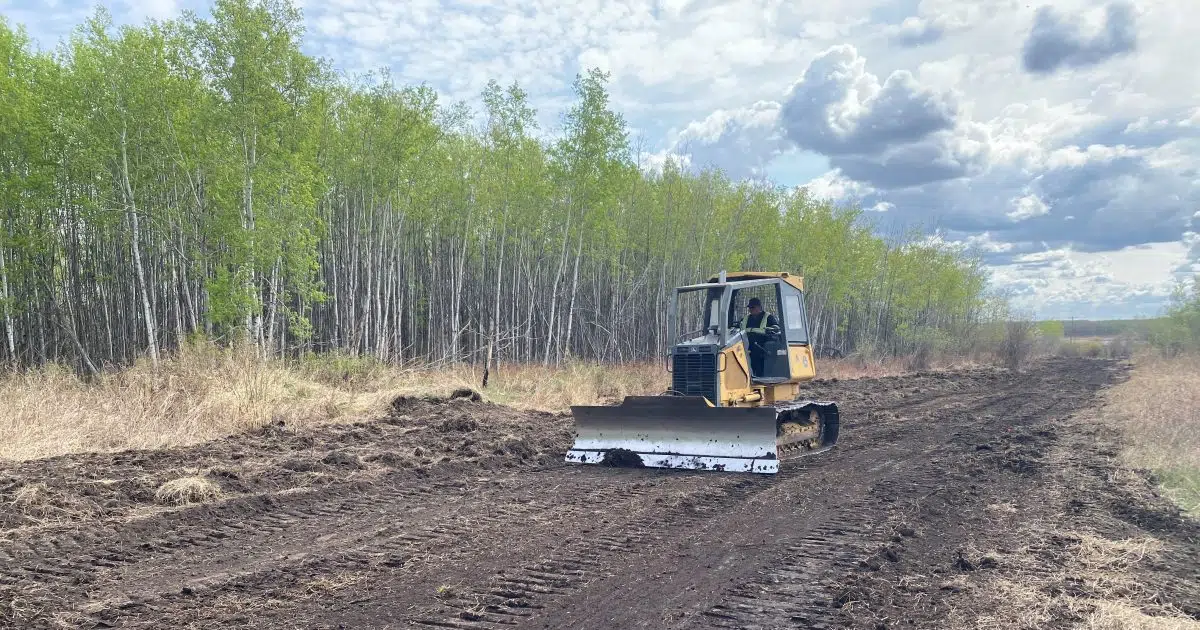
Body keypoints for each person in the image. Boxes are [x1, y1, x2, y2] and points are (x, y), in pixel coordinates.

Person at [738, 297, 779, 376]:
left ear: (759, 307)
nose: (750, 309)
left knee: (759, 365)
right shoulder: (746, 318)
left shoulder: (768, 317)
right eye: (749, 307)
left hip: (762, 347)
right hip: (746, 346)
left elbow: (776, 328)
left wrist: (771, 329)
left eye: (752, 307)